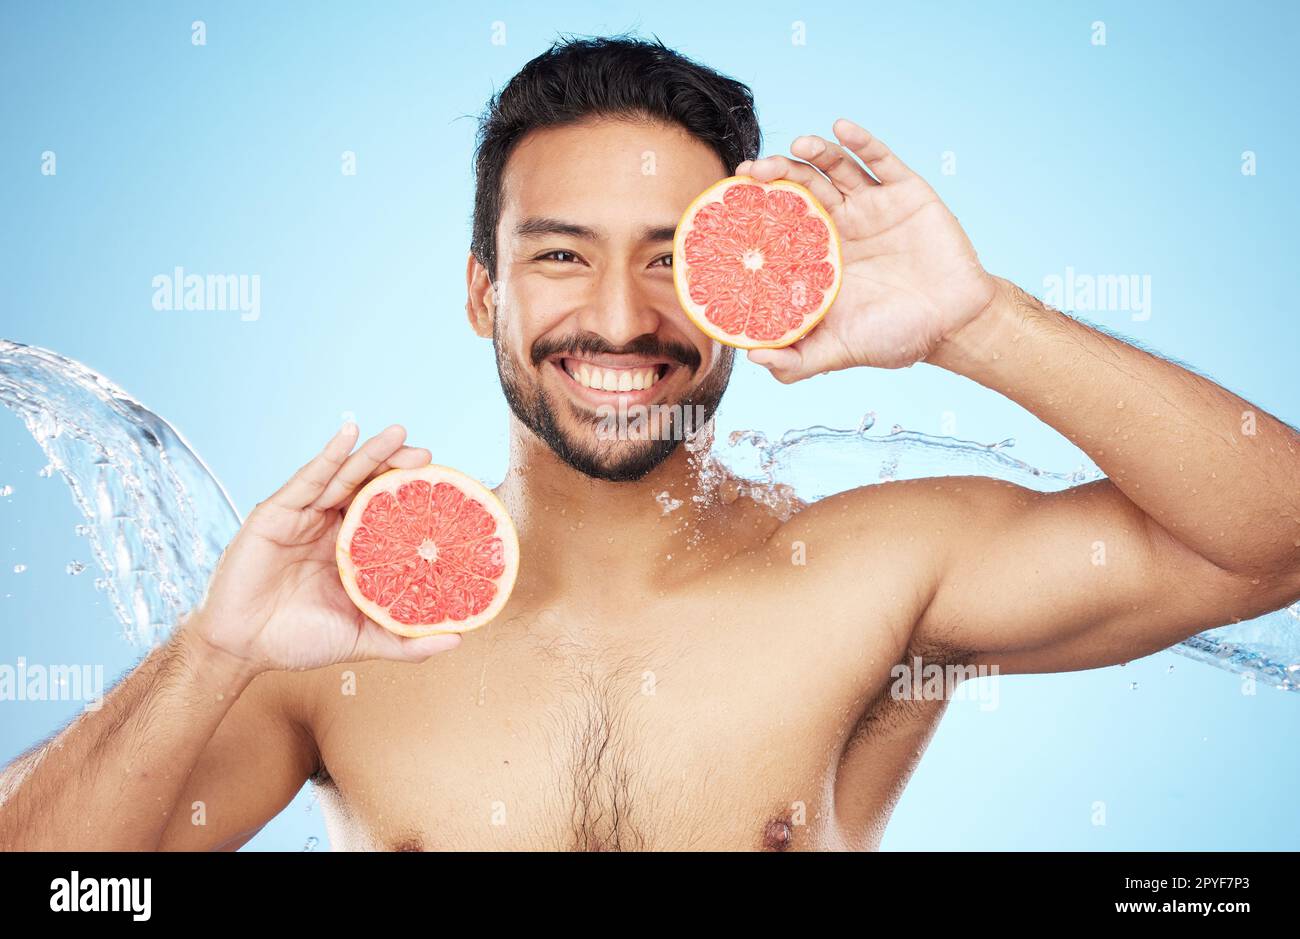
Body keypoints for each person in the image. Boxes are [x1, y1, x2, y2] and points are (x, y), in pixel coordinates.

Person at [2, 36, 1297, 852]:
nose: (621, 318)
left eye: (676, 259)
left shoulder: (878, 575)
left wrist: (977, 322)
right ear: (479, 294)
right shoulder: (334, 638)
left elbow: (1269, 540)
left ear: (753, 282)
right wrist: (210, 650)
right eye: (560, 255)